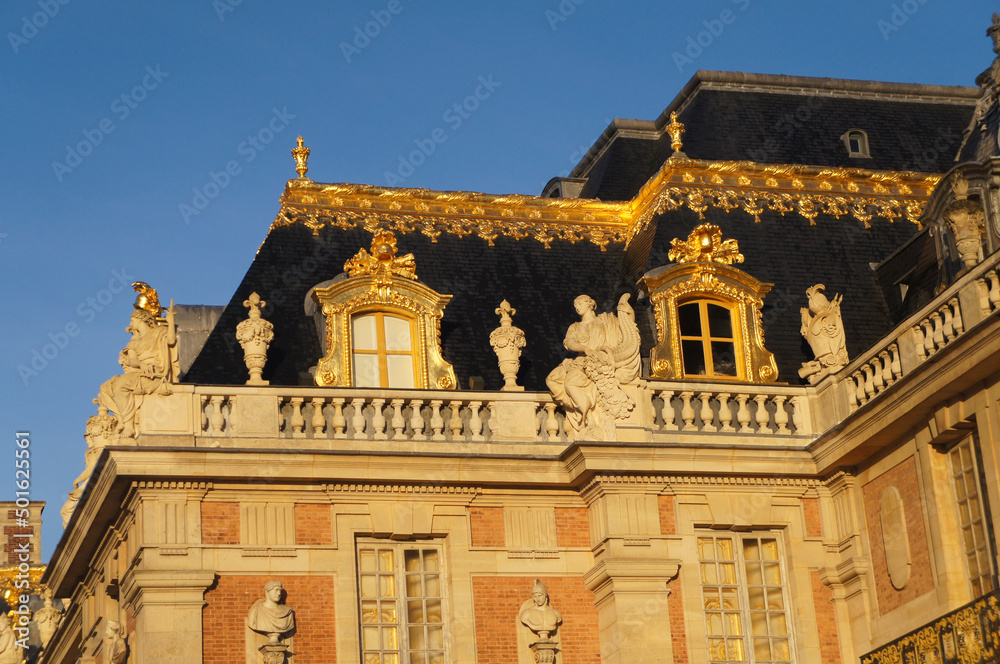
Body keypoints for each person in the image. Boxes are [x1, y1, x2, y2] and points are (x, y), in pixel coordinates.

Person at [546, 294, 641, 435]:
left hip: (601, 361)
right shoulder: (575, 327)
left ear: (589, 304)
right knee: (551, 379)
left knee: (570, 382)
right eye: (575, 305)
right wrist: (585, 349)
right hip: (582, 361)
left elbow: (626, 330)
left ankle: (586, 414)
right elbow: (569, 343)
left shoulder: (606, 321)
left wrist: (630, 312)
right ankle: (581, 408)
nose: (577, 307)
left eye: (579, 303)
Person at [96, 305, 175, 438]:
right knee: (104, 388)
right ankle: (122, 419)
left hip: (154, 374)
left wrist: (171, 322)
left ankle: (129, 427)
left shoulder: (159, 332)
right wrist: (141, 364)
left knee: (120, 385)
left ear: (140, 319)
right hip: (140, 371)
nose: (130, 324)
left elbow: (171, 340)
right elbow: (132, 360)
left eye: (132, 320)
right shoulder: (134, 342)